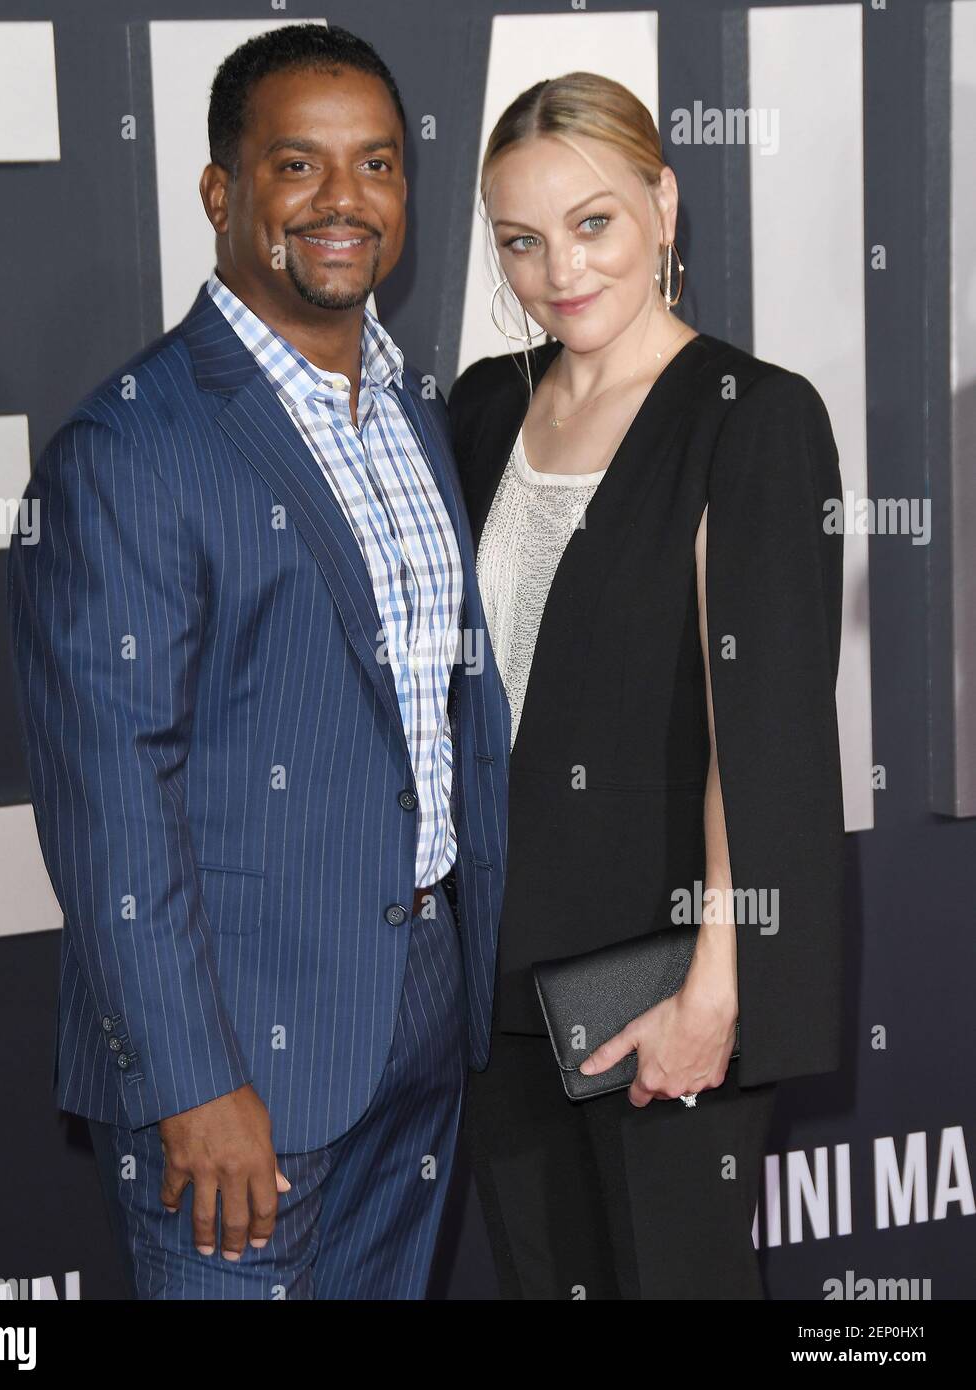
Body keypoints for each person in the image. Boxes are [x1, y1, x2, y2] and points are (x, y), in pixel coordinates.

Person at [6, 24, 509, 1300]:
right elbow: (109, 794)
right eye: (299, 165)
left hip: (419, 1019)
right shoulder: (131, 447)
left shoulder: (406, 408)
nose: (345, 200)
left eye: (378, 164)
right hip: (239, 1066)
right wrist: (189, 1082)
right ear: (222, 194)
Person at [448, 72, 846, 1299]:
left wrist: (714, 987)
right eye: (520, 241)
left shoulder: (750, 417)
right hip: (494, 972)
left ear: (662, 206)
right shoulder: (476, 410)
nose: (557, 271)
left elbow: (761, 737)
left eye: (592, 222)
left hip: (657, 978)